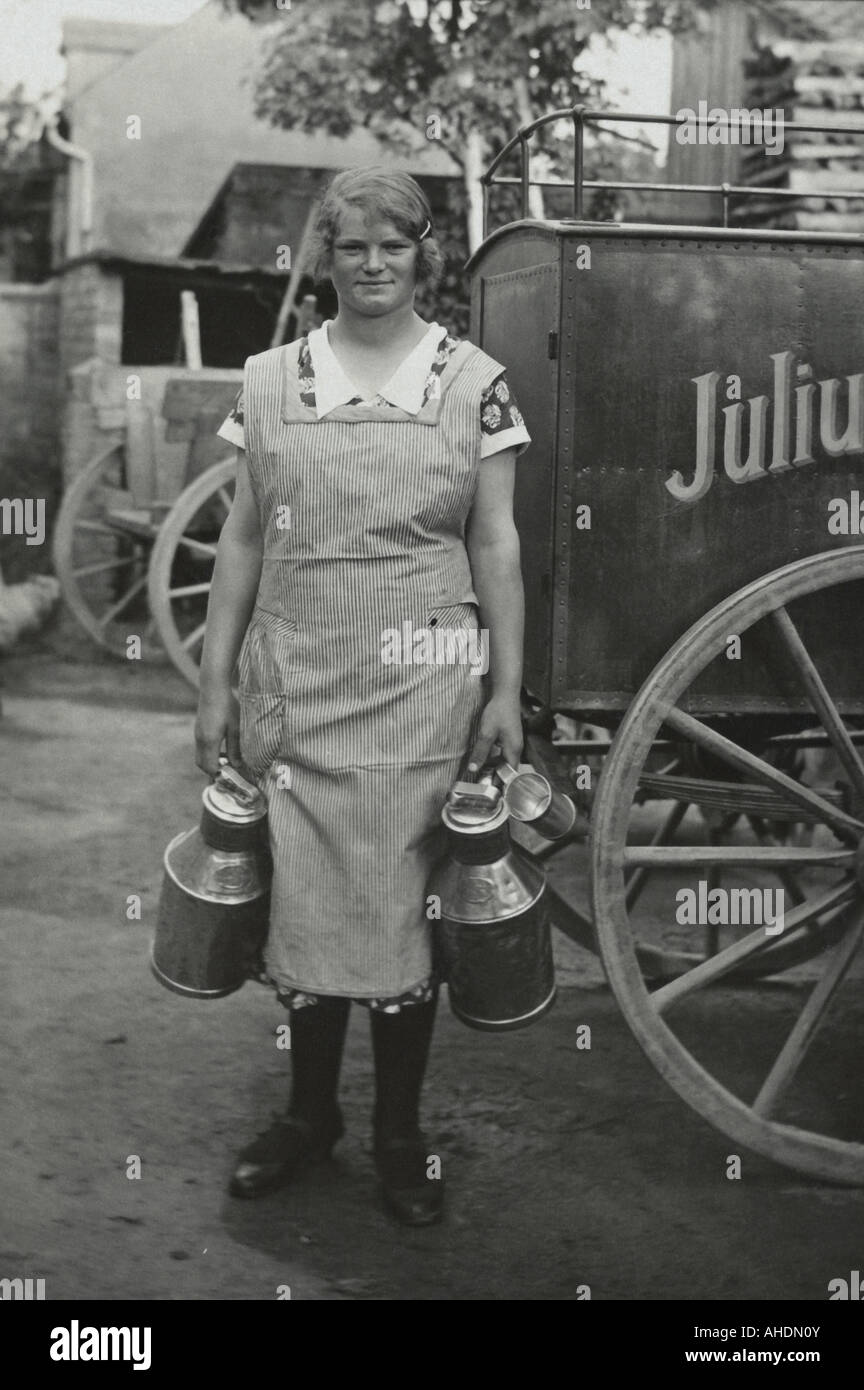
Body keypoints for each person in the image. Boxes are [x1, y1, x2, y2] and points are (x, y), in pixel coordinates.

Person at [196, 166, 530, 1226]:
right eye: (352, 246)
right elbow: (242, 540)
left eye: (395, 245)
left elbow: (497, 541)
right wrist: (214, 683)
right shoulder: (268, 380)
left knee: (400, 916)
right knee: (297, 908)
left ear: (424, 254)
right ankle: (307, 1116)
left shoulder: (474, 380)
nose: (374, 264)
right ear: (327, 259)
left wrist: (508, 689)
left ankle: (396, 1132)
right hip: (293, 686)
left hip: (424, 689)